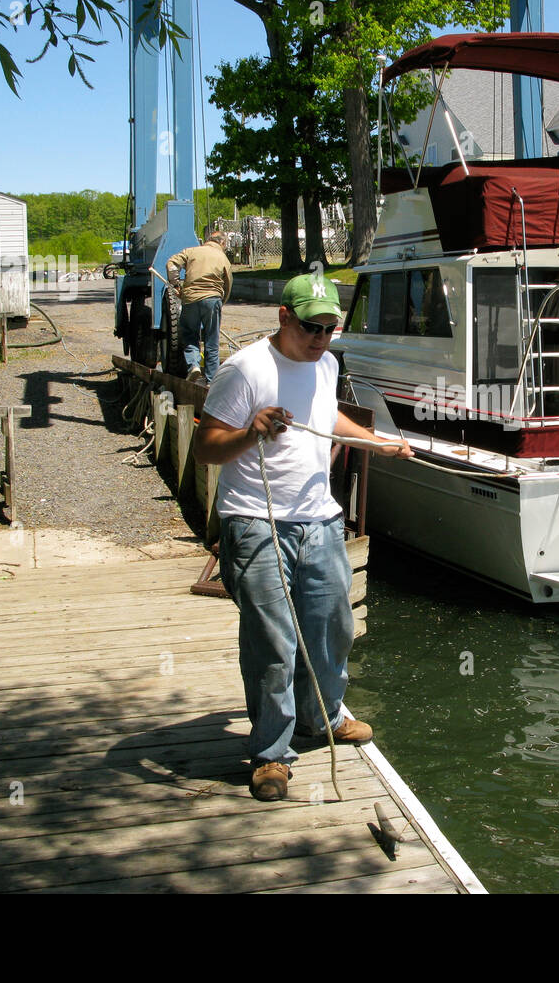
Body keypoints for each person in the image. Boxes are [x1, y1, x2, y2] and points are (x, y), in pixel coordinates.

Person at [193, 273, 413, 802]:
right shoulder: (244, 370)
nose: (320, 338)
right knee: (273, 642)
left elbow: (325, 412)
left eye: (330, 328)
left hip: (320, 520)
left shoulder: (327, 363)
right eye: (311, 327)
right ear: (284, 317)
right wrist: (252, 432)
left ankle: (324, 716)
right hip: (256, 521)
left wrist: (374, 442)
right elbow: (205, 447)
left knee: (334, 626)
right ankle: (271, 754)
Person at [159, 231, 233, 384]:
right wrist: (221, 301)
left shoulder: (191, 251)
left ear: (207, 240)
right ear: (223, 243)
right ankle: (211, 380)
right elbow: (228, 283)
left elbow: (171, 264)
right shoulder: (223, 258)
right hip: (212, 300)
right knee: (212, 341)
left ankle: (193, 365)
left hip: (190, 299)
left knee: (190, 335)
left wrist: (175, 285)